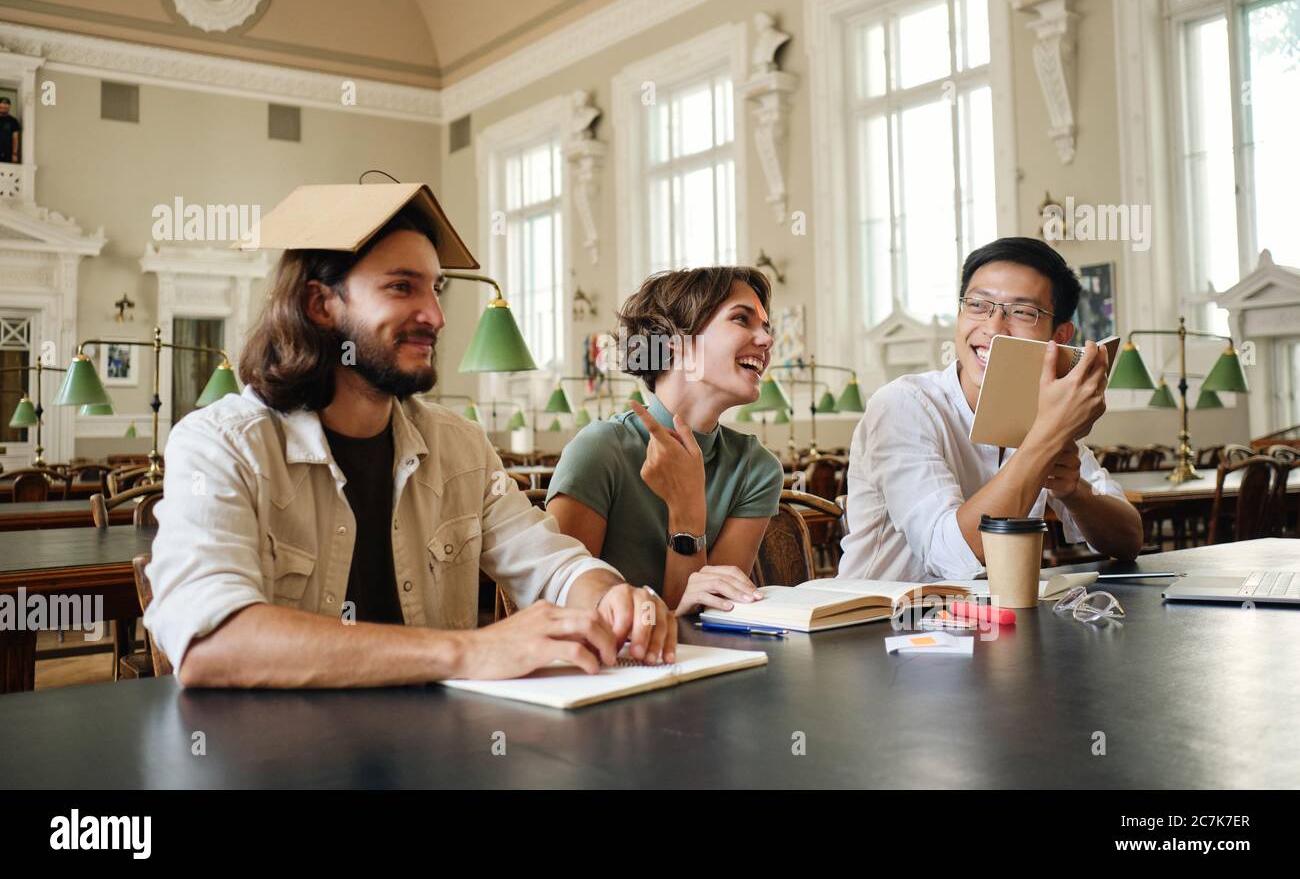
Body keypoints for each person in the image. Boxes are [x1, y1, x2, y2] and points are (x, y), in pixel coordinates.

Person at [144, 183, 674, 688]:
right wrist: (471, 651)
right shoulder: (220, 445)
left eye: (436, 289)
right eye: (402, 287)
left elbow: (553, 563)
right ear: (319, 305)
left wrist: (613, 596)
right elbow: (212, 644)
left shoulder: (459, 444)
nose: (436, 316)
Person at [839, 236, 1143, 583]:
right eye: (978, 305)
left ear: (1058, 336)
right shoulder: (902, 404)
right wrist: (1049, 435)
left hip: (986, 628)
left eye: (1023, 312)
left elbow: (1129, 541)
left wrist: (1076, 493)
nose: (994, 329)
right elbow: (952, 556)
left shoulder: (1040, 413)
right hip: (876, 625)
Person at [546, 267, 785, 617]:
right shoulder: (599, 451)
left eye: (765, 327)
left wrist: (687, 509)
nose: (766, 341)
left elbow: (709, 613)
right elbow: (560, 612)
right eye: (741, 319)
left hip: (705, 660)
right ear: (679, 346)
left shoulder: (758, 469)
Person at [0, 97, 21, 164]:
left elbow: (15, 138)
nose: (4, 109)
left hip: (8, 154)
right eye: (2, 107)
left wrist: (14, 154)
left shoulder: (13, 121)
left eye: (6, 107)